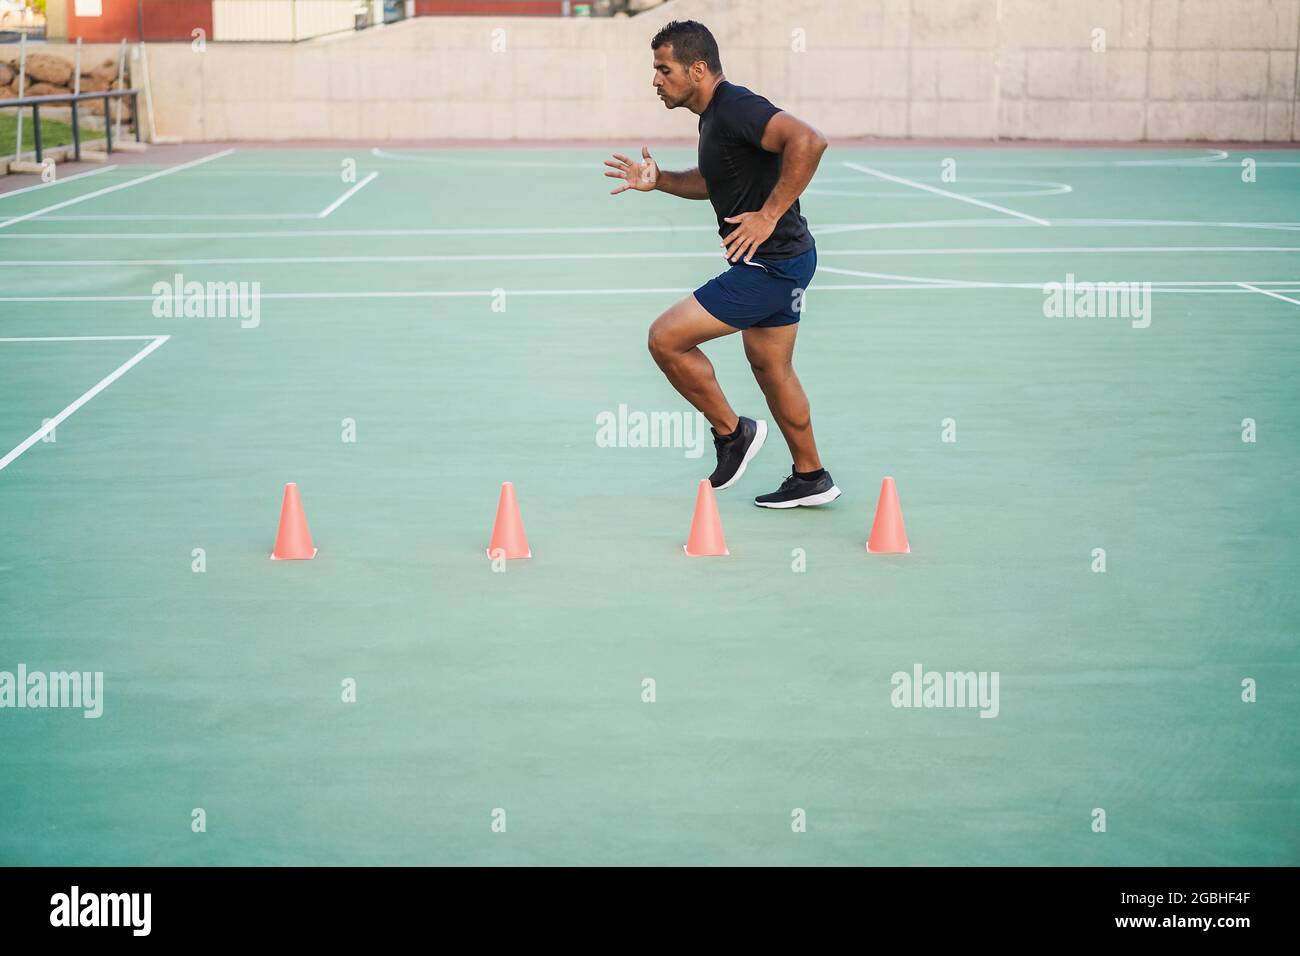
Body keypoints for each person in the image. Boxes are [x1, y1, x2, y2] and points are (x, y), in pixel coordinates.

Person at [605, 19, 840, 507]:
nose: (655, 80)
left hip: (768, 267)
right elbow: (716, 182)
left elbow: (810, 141)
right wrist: (661, 180)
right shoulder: (714, 118)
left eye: (662, 69)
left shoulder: (736, 108)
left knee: (666, 338)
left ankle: (734, 434)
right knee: (772, 368)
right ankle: (811, 475)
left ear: (696, 68)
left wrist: (769, 215)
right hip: (787, 261)